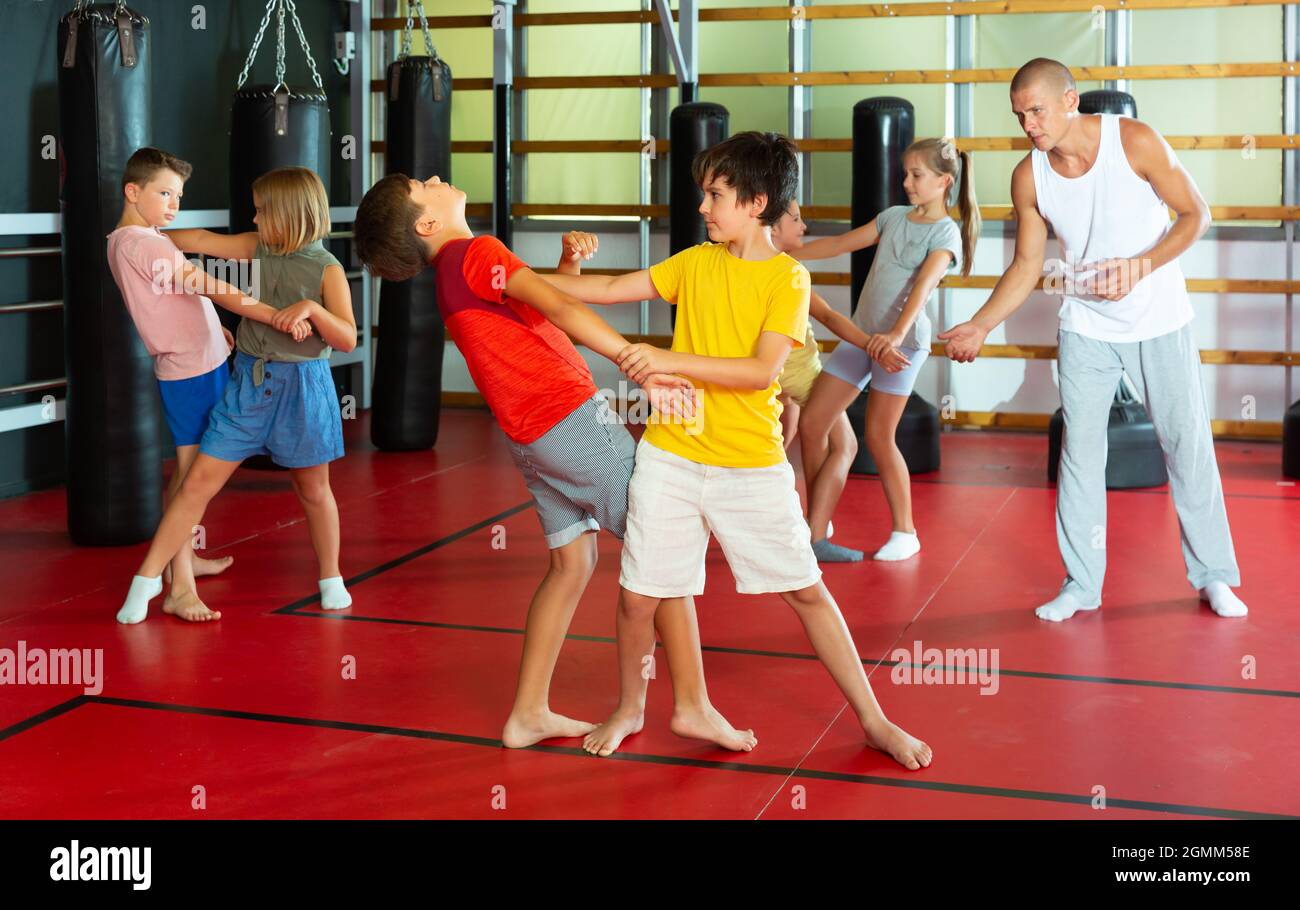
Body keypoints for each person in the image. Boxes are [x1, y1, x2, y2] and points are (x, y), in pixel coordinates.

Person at [546, 131, 933, 770]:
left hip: (750, 466)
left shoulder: (788, 277)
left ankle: (874, 719)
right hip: (670, 457)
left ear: (756, 202)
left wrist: (664, 359)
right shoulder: (696, 262)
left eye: (716, 195)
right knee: (637, 597)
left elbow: (759, 373)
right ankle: (631, 707)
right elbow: (613, 290)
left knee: (807, 591)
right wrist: (524, 273)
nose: (704, 206)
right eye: (704, 193)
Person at [352, 172, 696, 749]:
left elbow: (533, 314)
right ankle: (693, 706)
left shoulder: (456, 273)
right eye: (421, 184)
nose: (435, 177)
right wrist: (639, 362)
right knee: (660, 551)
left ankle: (528, 713)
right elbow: (558, 308)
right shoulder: (475, 253)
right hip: (573, 423)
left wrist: (568, 265)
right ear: (426, 223)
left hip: (533, 440)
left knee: (572, 565)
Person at [939, 57, 1247, 621]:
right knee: (1080, 455)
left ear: (1070, 100)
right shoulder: (1029, 176)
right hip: (1084, 326)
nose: (1028, 124)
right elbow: (1027, 264)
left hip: (1159, 319)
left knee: (1187, 446)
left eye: (1036, 110)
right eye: (1019, 115)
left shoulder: (1133, 141)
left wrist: (1141, 265)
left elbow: (1195, 215)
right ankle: (1082, 584)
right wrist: (981, 323)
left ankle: (1215, 576)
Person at [116, 167, 356, 624]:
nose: (255, 216)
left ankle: (331, 577)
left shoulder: (328, 268)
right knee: (198, 483)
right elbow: (202, 239)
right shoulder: (255, 246)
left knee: (313, 490)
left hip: (303, 388)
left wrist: (310, 310)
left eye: (263, 210)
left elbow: (346, 339)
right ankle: (146, 582)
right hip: (248, 383)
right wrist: (146, 233)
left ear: (288, 214)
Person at [791, 138, 976, 562]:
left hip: (902, 344)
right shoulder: (893, 217)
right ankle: (818, 522)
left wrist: (894, 334)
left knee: (878, 435)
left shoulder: (946, 231)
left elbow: (923, 285)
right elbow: (841, 245)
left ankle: (905, 531)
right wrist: (784, 254)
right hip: (862, 337)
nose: (907, 182)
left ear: (944, 181)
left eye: (917, 175)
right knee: (814, 422)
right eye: (905, 173)